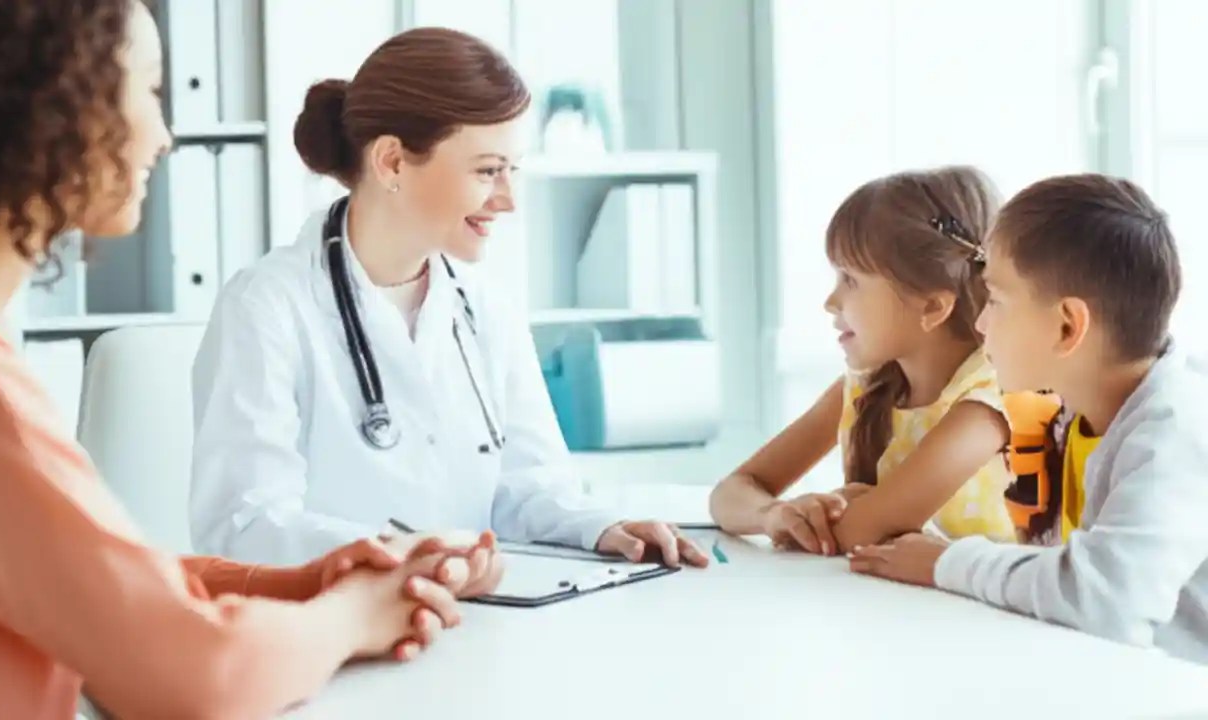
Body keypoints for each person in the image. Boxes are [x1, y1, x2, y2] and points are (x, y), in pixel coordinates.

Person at [0, 3, 490, 717]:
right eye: (152, 91)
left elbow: (101, 585)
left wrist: (301, 584)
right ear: (49, 100)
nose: (163, 137)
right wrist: (354, 617)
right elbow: (193, 675)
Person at [188, 27, 708, 570]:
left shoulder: (485, 308)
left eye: (514, 170)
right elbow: (244, 526)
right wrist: (399, 557)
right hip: (335, 630)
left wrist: (602, 527)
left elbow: (529, 489)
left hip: (474, 616)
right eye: (487, 171)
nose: (508, 200)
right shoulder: (267, 307)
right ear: (391, 162)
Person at [850, 174, 1208, 665]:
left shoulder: (1176, 431)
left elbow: (1106, 600)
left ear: (1067, 326)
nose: (980, 323)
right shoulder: (1080, 416)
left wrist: (947, 563)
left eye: (994, 300)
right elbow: (1081, 573)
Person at [710, 167, 1017, 555]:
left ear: (932, 306)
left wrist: (832, 516)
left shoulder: (987, 404)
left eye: (850, 281)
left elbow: (860, 531)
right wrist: (773, 513)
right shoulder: (864, 387)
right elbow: (729, 493)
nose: (830, 302)